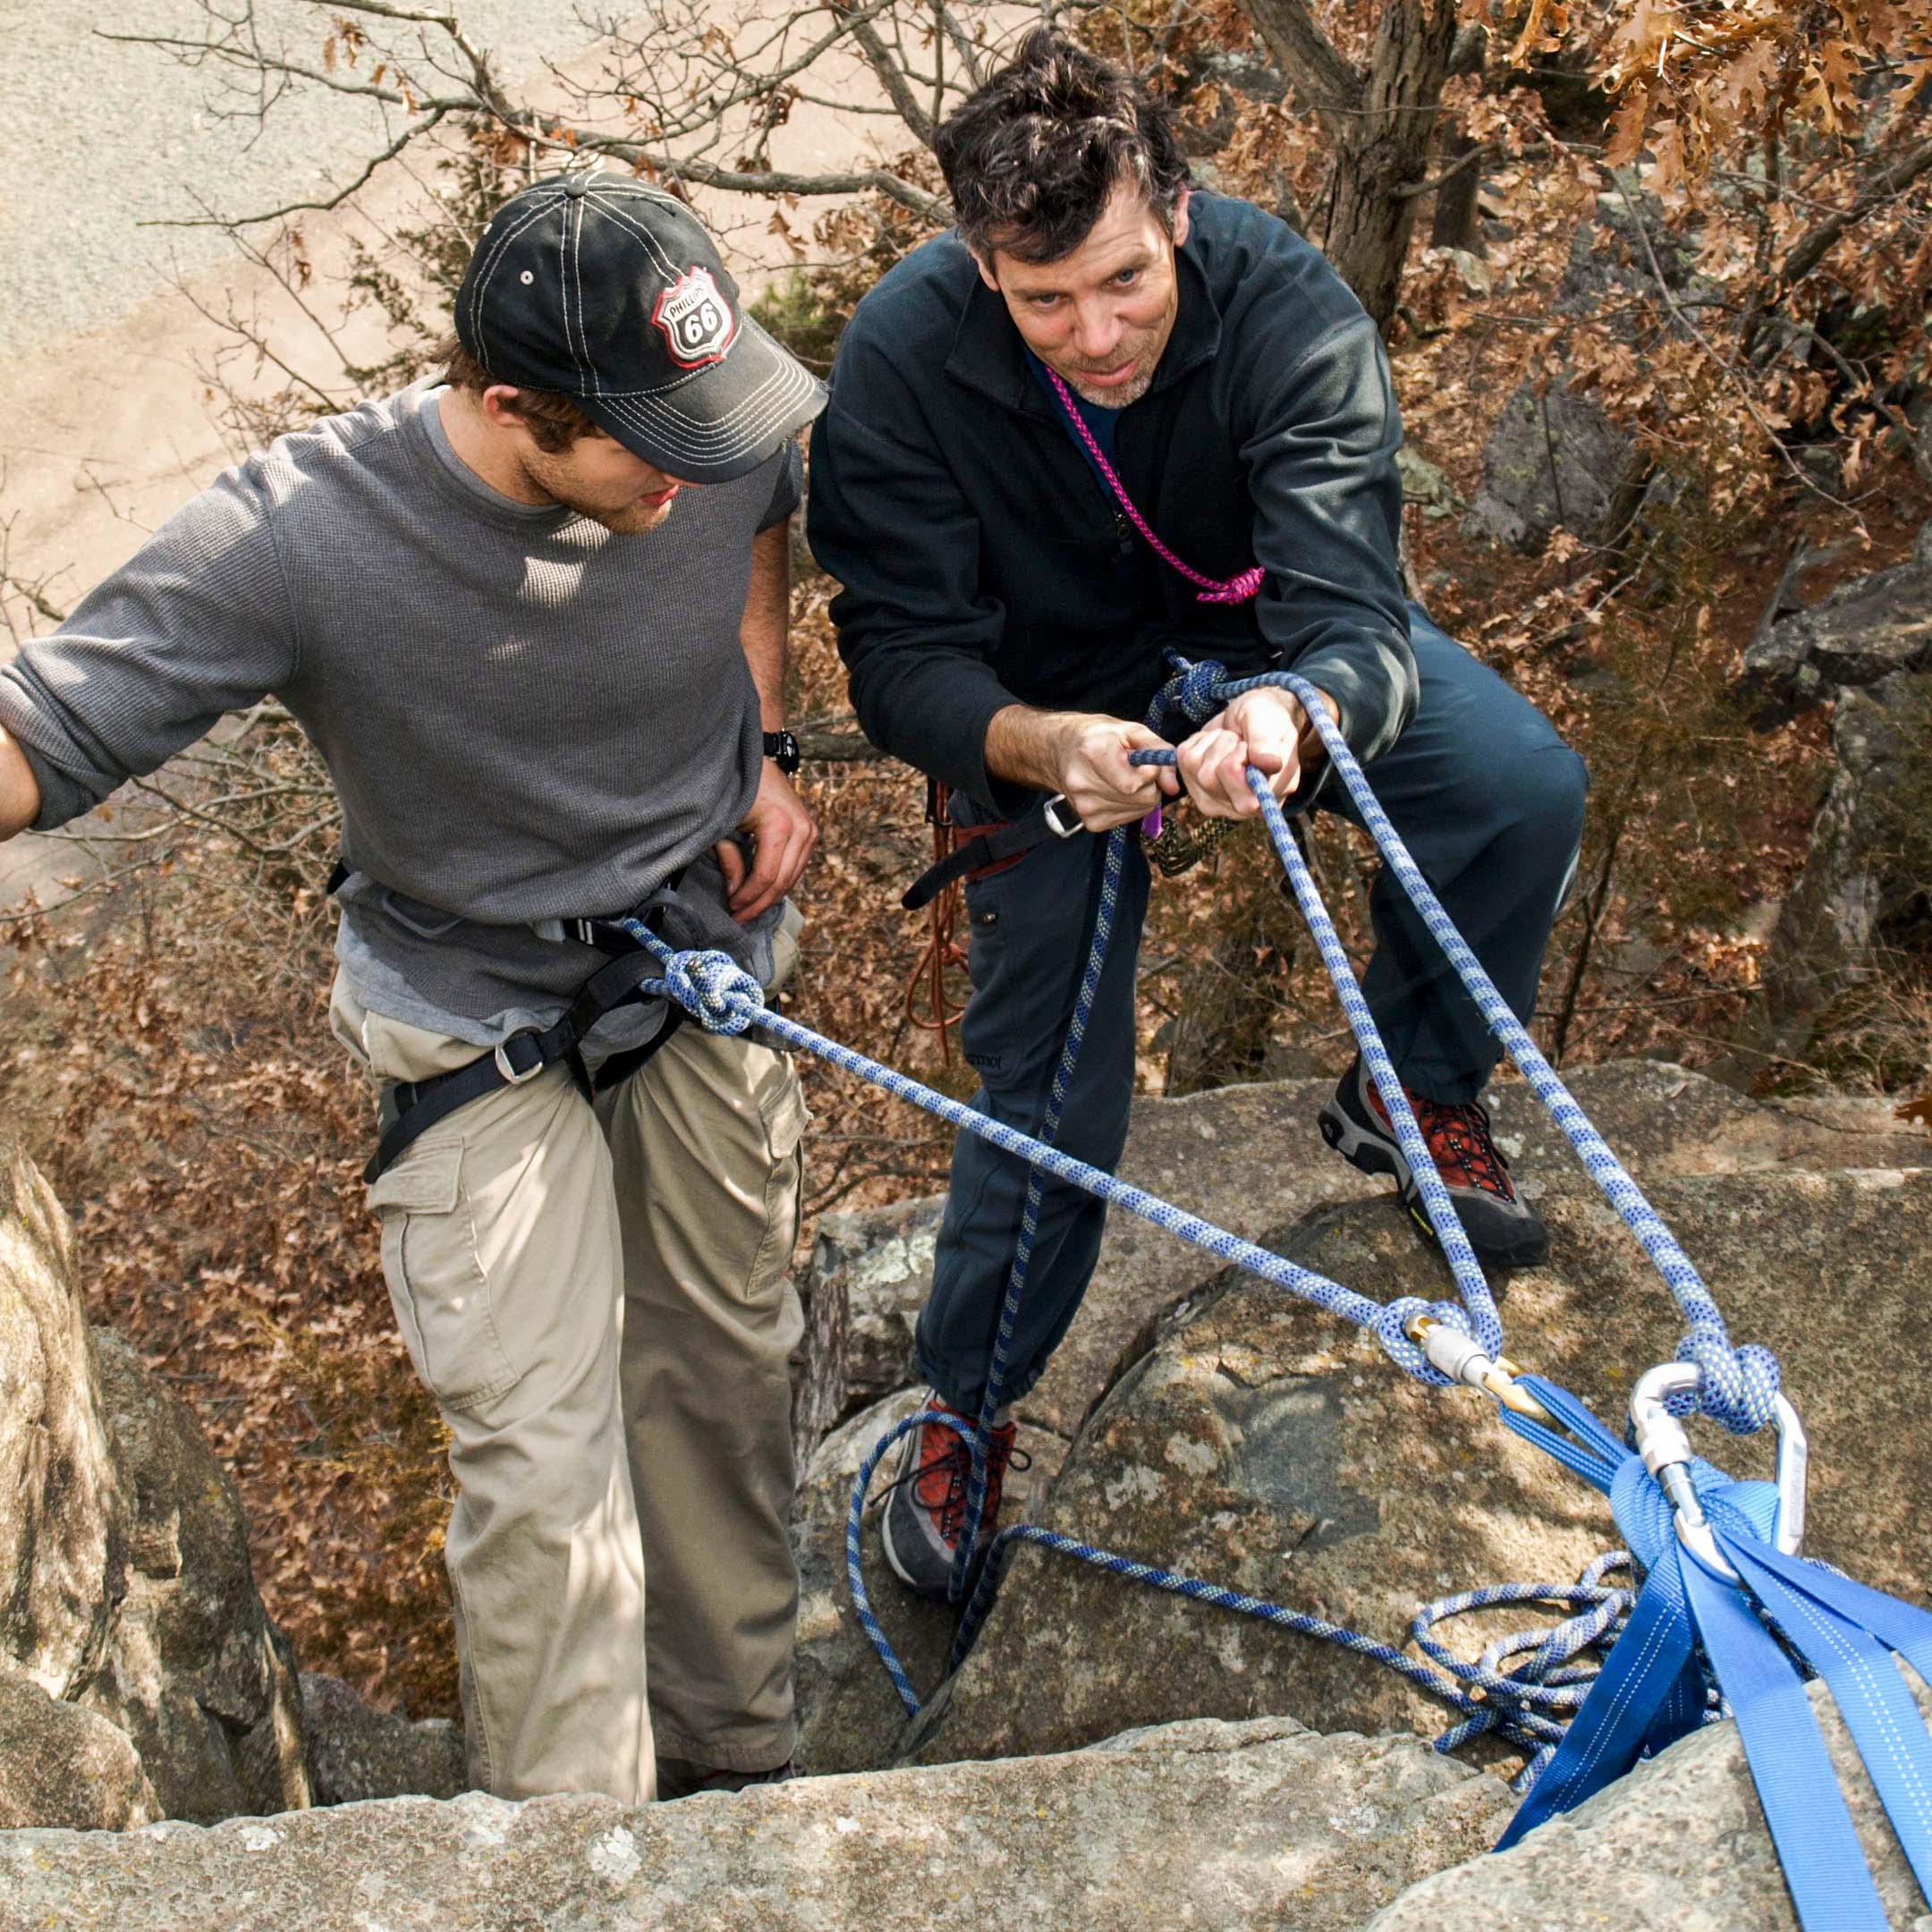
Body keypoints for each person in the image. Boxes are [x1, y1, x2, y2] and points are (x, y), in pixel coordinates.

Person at [0, 174, 828, 1802]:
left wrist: (764, 733)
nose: (696, 464)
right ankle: (577, 1861)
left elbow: (764, 500)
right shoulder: (308, 537)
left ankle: (742, 1769)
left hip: (699, 968)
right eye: (651, 443)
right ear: (511, 402)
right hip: (475, 1015)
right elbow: (44, 728)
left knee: (726, 1371)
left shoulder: (702, 425)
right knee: (542, 1463)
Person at [807, 32, 1590, 1600]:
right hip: (1037, 703)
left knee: (1515, 789)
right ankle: (972, 1407)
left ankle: (1415, 1087)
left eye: (1122, 282)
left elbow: (1360, 617)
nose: (1093, 335)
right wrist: (1036, 746)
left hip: (1261, 642)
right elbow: (897, 656)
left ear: (1174, 208)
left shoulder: (1287, 307)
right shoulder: (903, 356)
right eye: (1043, 302)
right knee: (1049, 1082)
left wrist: (1294, 714)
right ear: (980, 267)